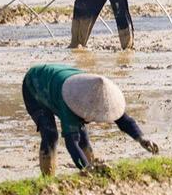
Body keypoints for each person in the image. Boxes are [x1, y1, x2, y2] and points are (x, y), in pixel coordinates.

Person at [22, 63, 158, 176]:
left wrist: (141, 138)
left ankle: (91, 168)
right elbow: (72, 143)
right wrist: (86, 171)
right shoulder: (71, 102)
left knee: (83, 137)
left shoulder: (99, 94)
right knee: (51, 135)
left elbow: (123, 120)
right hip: (35, 85)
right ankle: (47, 178)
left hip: (57, 79)